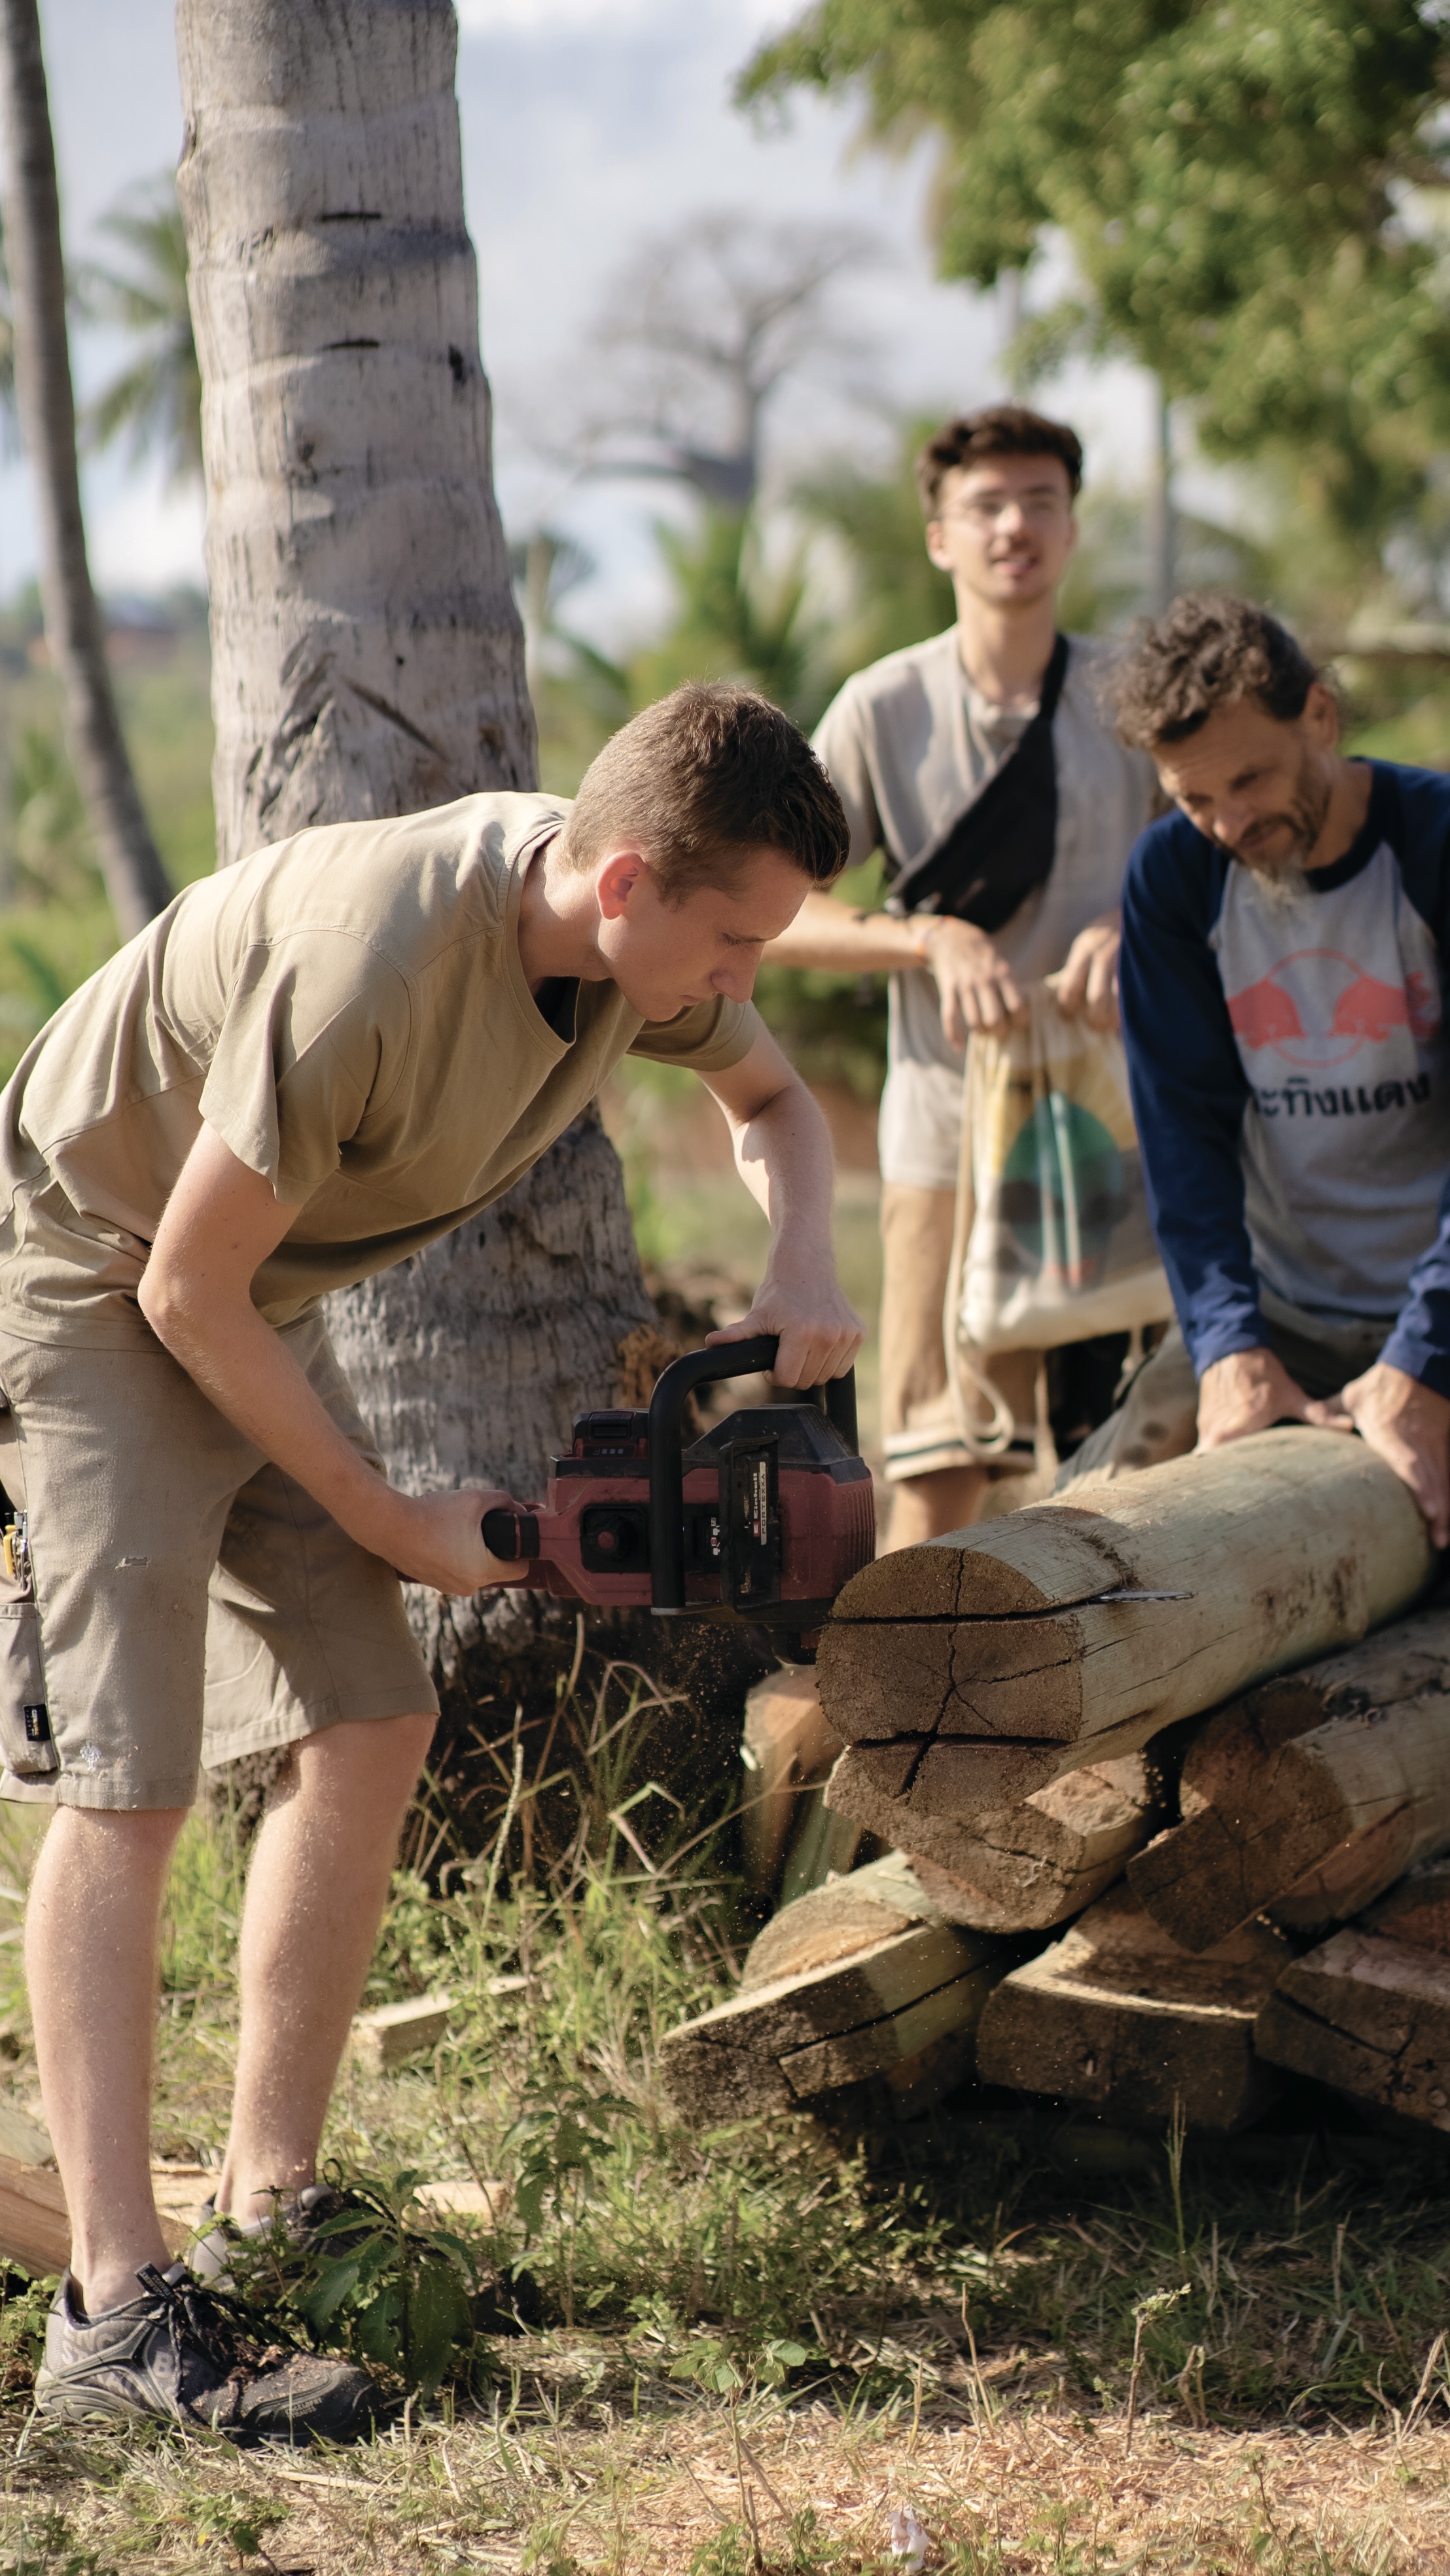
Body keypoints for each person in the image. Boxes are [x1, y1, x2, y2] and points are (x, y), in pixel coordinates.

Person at [0, 680, 861, 2438]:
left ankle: (270, 2210)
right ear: (622, 884)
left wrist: (806, 1271)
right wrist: (389, 1519)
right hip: (94, 1271)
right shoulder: (379, 961)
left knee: (370, 1712)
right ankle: (110, 2316)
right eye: (732, 942)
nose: (742, 985)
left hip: (243, 1297)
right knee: (129, 1778)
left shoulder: (636, 945)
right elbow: (174, 1288)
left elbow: (780, 1116)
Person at [764, 404, 1157, 1547]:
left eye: (1041, 501)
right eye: (986, 505)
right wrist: (928, 938)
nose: (1015, 526)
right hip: (942, 1136)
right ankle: (908, 1715)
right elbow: (775, 907)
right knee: (939, 1467)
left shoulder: (1131, 700)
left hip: (1116, 1135)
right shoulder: (883, 707)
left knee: (1127, 1460)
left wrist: (1138, 931)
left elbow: (1215, 868)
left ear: (1073, 527)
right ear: (940, 536)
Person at [1074, 591, 1450, 1545]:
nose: (1230, 822)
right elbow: (1183, 1140)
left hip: (1435, 1299)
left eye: (1252, 780)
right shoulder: (1172, 878)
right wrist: (1229, 1346)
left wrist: (1425, 1360)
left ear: (1319, 716)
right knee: (1092, 1524)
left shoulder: (1437, 845)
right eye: (1194, 799)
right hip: (1286, 1307)